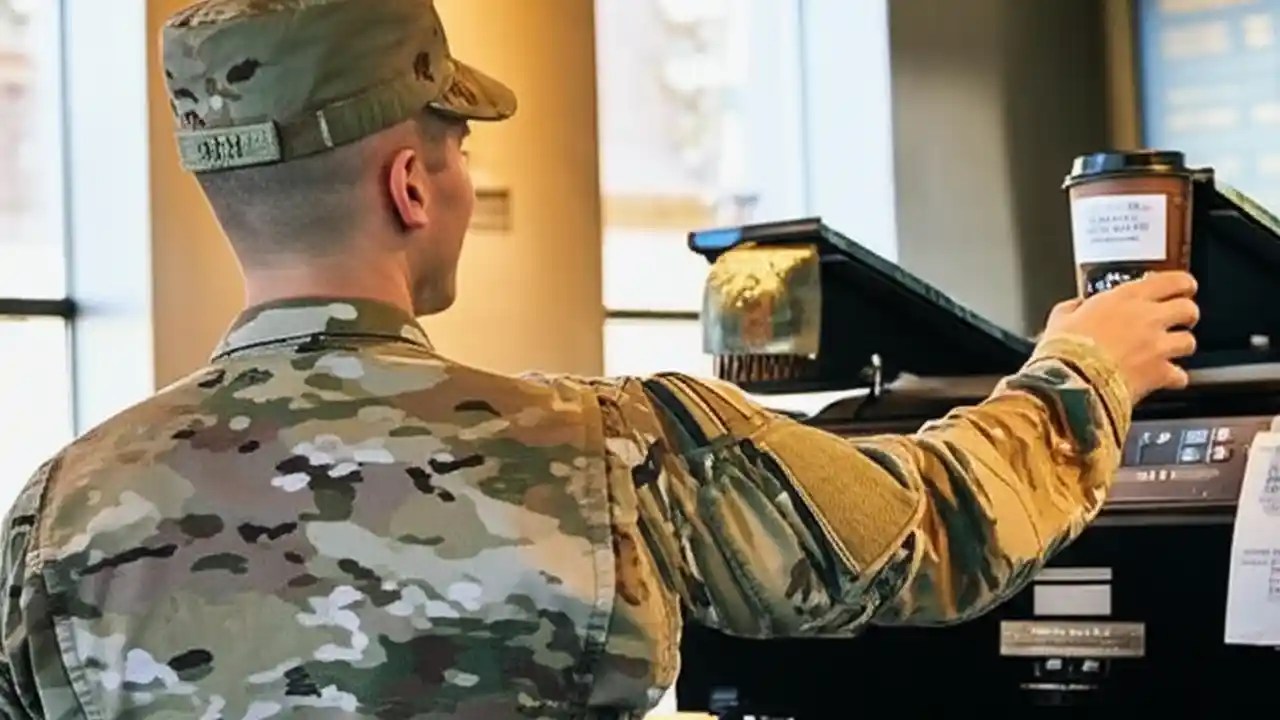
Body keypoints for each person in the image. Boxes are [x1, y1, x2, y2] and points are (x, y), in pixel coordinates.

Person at [0, 0, 1200, 718]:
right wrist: (1081, 367)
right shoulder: (615, 450)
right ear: (410, 183)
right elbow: (934, 528)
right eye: (457, 147)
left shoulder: (57, 513)